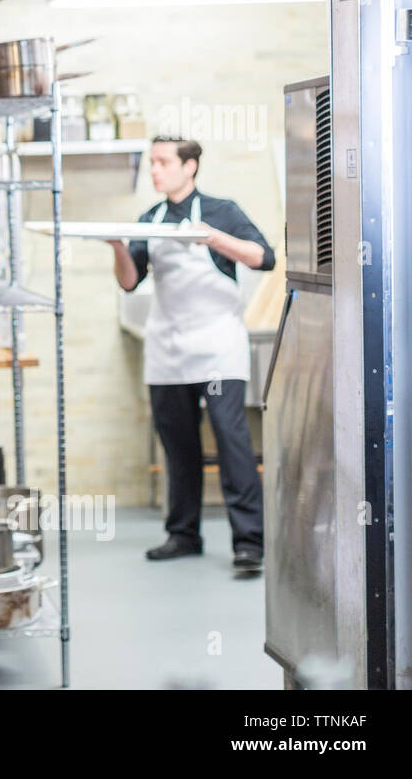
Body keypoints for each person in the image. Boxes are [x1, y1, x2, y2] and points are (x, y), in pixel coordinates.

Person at [108, 136, 275, 574]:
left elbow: (264, 257)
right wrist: (118, 248)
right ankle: (183, 534)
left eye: (163, 162)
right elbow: (129, 283)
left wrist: (216, 239)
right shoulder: (151, 220)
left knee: (231, 439)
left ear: (191, 166)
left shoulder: (223, 211)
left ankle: (250, 543)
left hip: (218, 348)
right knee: (177, 446)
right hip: (167, 350)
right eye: (153, 163)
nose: (155, 170)